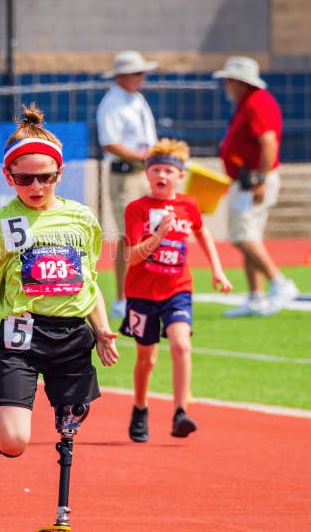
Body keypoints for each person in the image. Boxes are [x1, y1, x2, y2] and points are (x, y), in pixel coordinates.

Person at [0, 103, 119, 468]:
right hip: (21, 336)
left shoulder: (82, 218)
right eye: (24, 179)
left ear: (61, 172)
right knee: (13, 443)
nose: (36, 186)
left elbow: (87, 282)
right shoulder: (2, 223)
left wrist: (102, 329)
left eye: (46, 177)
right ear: (8, 175)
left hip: (73, 336)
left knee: (73, 417)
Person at [120, 139, 232, 441]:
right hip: (142, 293)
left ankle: (180, 412)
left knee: (181, 344)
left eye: (169, 170)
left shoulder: (188, 205)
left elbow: (202, 231)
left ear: (180, 175)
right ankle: (140, 408)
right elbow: (131, 256)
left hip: (177, 289)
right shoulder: (136, 209)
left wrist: (217, 269)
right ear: (147, 174)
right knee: (147, 359)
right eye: (156, 169)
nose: (162, 175)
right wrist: (158, 236)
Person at [213, 56, 299, 316]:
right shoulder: (248, 103)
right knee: (249, 235)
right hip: (246, 179)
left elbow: (268, 142)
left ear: (241, 82)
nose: (226, 85)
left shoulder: (257, 103)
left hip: (253, 180)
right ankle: (255, 297)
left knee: (242, 235)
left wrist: (260, 178)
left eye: (229, 81)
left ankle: (279, 283)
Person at [97, 50, 159, 318]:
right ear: (121, 76)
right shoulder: (112, 103)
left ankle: (142, 292)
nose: (142, 77)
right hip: (125, 175)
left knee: (147, 233)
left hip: (143, 173)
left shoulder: (137, 100)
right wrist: (143, 157)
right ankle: (123, 299)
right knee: (130, 236)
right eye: (137, 73)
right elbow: (110, 142)